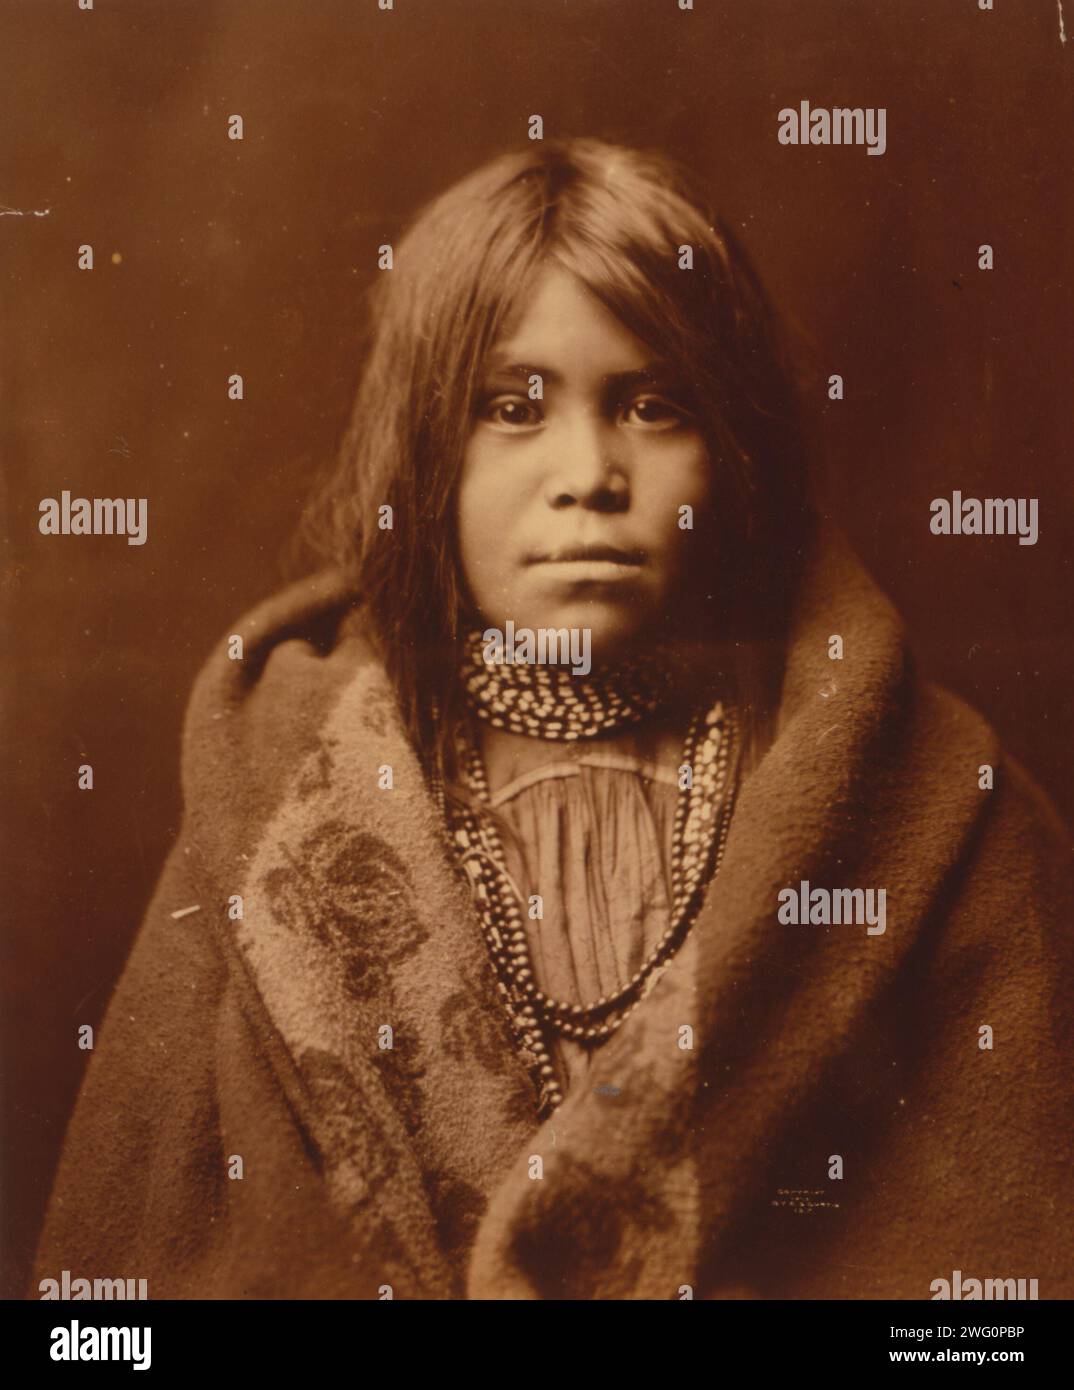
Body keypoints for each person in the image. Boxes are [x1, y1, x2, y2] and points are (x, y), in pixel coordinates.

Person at [33, 138, 1074, 1300]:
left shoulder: (924, 807)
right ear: (428, 452)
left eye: (655, 404)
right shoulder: (277, 804)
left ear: (732, 454)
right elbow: (128, 1280)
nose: (589, 470)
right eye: (512, 408)